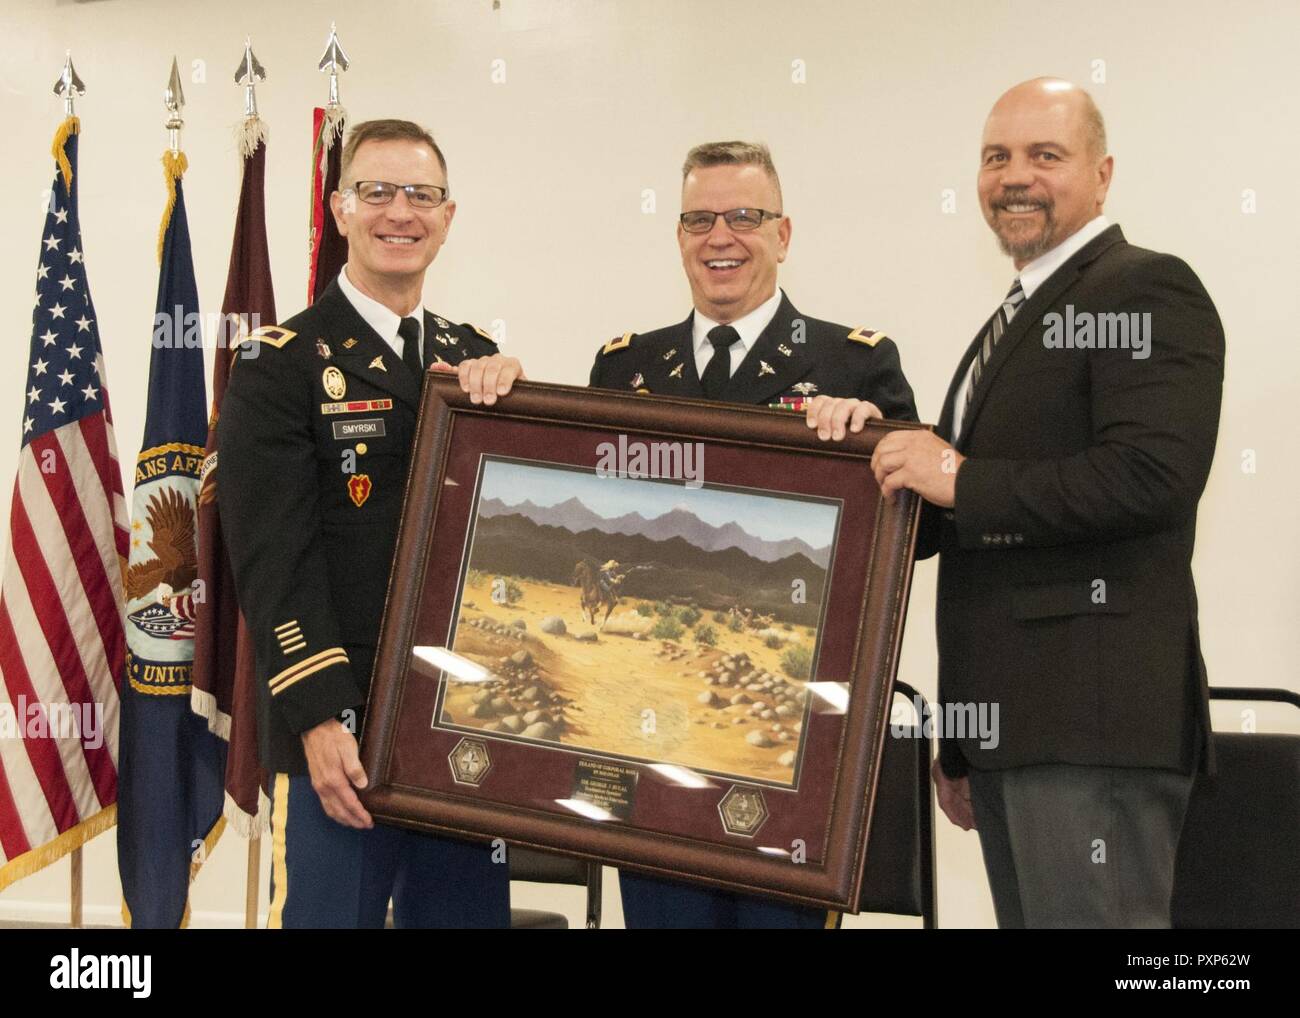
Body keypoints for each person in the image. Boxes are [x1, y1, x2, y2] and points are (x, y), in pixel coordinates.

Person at [868, 78, 1224, 928]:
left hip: (1091, 731)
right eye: (997, 157)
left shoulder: (1145, 288)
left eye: (1044, 156)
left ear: (1102, 176)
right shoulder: (1015, 317)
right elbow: (965, 523)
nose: (1014, 176)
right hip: (1015, 740)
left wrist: (955, 476)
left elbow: (1150, 475)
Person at [589, 140, 918, 929]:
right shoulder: (624, 367)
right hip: (653, 737)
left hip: (796, 752)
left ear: (784, 233)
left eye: (744, 216)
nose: (721, 237)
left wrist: (878, 449)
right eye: (700, 218)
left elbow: (922, 534)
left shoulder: (855, 364)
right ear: (678, 235)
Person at [219, 119, 525, 928]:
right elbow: (273, 561)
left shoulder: (477, 360)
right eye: (377, 192)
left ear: (448, 216)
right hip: (340, 727)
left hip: (458, 728)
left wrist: (518, 410)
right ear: (340, 208)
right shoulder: (277, 364)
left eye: (420, 195)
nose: (400, 212)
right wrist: (319, 718)